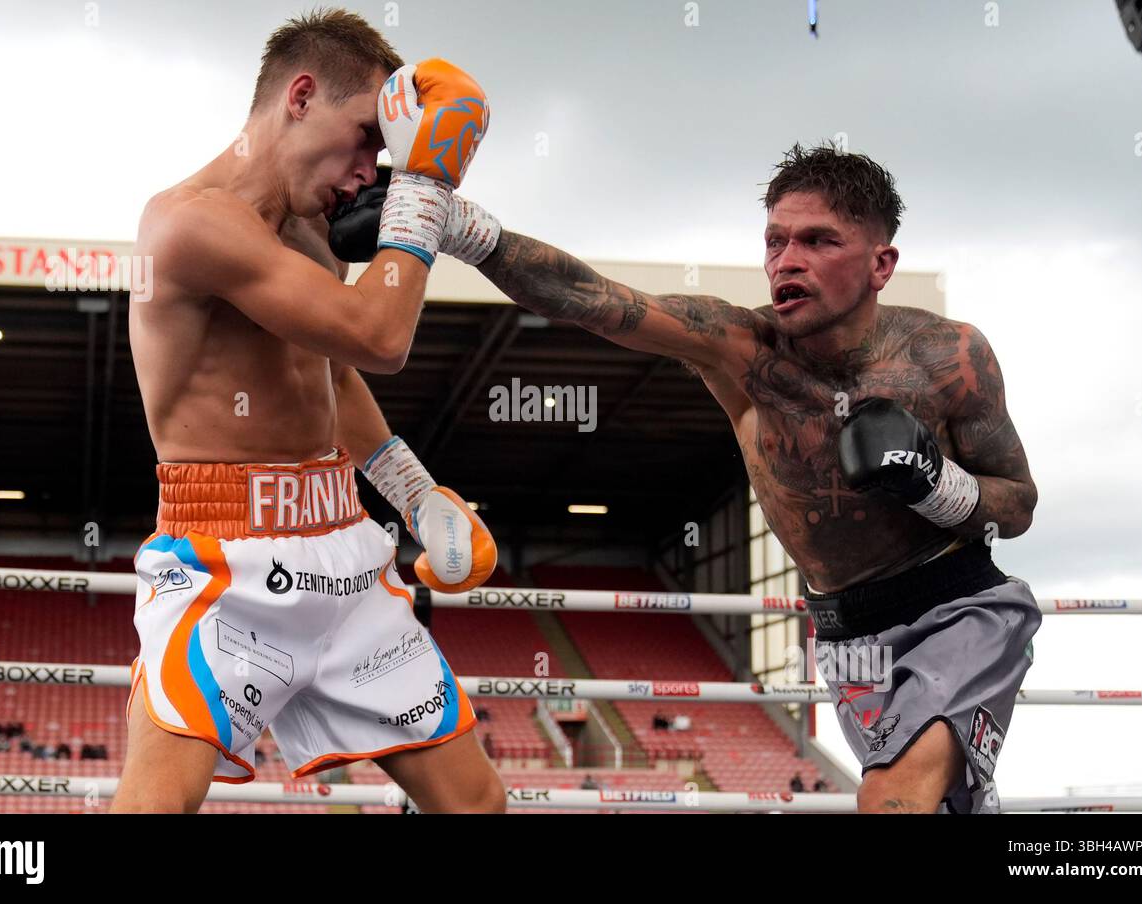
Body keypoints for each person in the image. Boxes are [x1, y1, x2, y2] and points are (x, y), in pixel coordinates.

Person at [328, 142, 1040, 814]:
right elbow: (592, 298)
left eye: (818, 241)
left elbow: (1017, 504)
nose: (788, 259)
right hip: (848, 631)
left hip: (959, 606)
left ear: (881, 264)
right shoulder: (739, 348)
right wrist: (456, 226)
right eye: (775, 241)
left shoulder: (952, 356)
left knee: (894, 798)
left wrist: (935, 483)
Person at [113, 9, 503, 814]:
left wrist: (418, 497)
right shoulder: (188, 224)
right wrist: (426, 189)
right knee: (156, 808)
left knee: (476, 805)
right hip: (225, 560)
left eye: (386, 154)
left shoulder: (309, 227)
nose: (369, 170)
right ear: (300, 96)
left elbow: (336, 374)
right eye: (365, 136)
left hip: (344, 544)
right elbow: (379, 336)